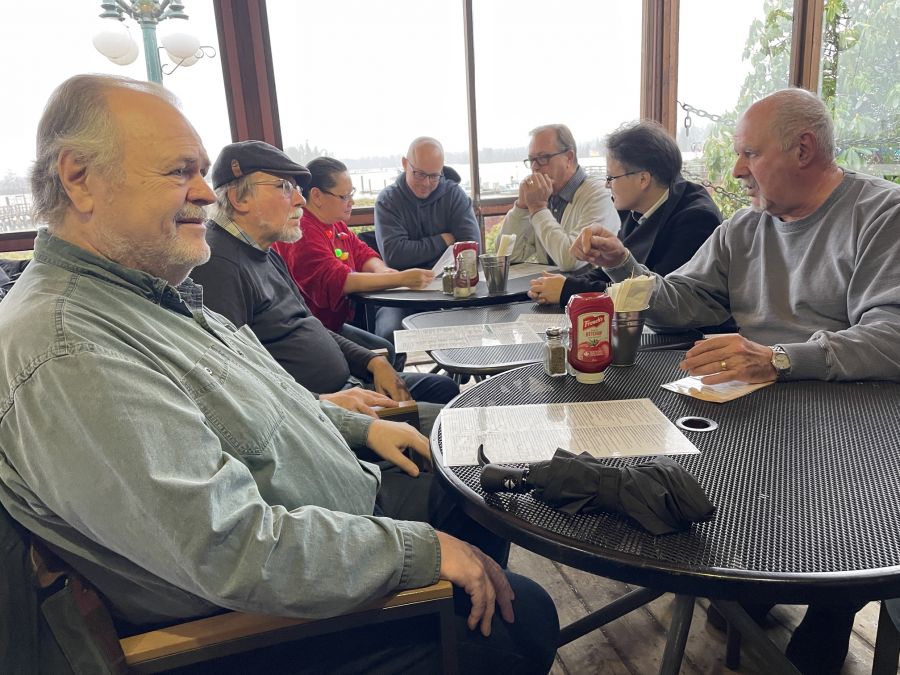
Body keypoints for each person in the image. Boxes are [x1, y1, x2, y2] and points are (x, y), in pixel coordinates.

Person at [0, 74, 559, 675]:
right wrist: (421, 553)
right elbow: (230, 549)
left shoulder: (141, 294)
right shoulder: (71, 351)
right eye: (178, 171)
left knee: (473, 478)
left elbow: (259, 396)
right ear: (78, 178)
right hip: (260, 627)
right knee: (521, 617)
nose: (205, 194)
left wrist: (355, 430)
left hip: (339, 502)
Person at [572, 87, 900, 675]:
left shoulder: (881, 215)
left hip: (859, 414)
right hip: (756, 402)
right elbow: (681, 300)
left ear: (803, 149)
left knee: (825, 537)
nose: (736, 170)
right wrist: (624, 264)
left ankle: (835, 603)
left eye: (748, 153)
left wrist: (777, 358)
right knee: (724, 578)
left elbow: (893, 335)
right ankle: (775, 566)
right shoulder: (745, 228)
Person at [190, 141, 459, 434]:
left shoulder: (263, 252)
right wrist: (325, 403)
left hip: (347, 387)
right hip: (318, 418)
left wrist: (372, 361)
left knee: (443, 388)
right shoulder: (218, 265)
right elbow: (237, 390)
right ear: (238, 199)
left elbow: (310, 324)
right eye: (284, 187)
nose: (300, 200)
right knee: (454, 427)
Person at [528, 120, 721, 308]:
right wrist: (562, 284)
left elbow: (654, 297)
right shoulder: (636, 210)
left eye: (611, 177)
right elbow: (615, 273)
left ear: (643, 179)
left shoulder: (696, 220)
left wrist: (569, 290)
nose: (606, 184)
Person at [275, 156, 433, 365]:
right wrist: (401, 279)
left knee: (387, 349)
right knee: (384, 352)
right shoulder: (303, 231)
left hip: (336, 322)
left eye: (351, 194)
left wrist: (383, 271)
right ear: (317, 196)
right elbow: (339, 280)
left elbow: (361, 252)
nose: (351, 202)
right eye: (344, 196)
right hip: (312, 331)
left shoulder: (334, 223)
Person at [373, 137, 481, 342]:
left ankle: (460, 374)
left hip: (453, 290)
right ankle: (397, 375)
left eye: (434, 176)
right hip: (402, 294)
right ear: (405, 164)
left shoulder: (453, 195)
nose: (426, 183)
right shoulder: (388, 201)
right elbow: (396, 255)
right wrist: (443, 239)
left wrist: (416, 248)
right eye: (420, 174)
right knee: (389, 334)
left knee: (481, 325)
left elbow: (471, 248)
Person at [498, 123, 619, 273]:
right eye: (531, 160)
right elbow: (506, 257)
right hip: (547, 292)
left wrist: (538, 208)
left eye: (543, 158)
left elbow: (571, 261)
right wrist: (521, 207)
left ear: (569, 158)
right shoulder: (544, 194)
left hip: (586, 292)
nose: (535, 167)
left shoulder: (598, 193)